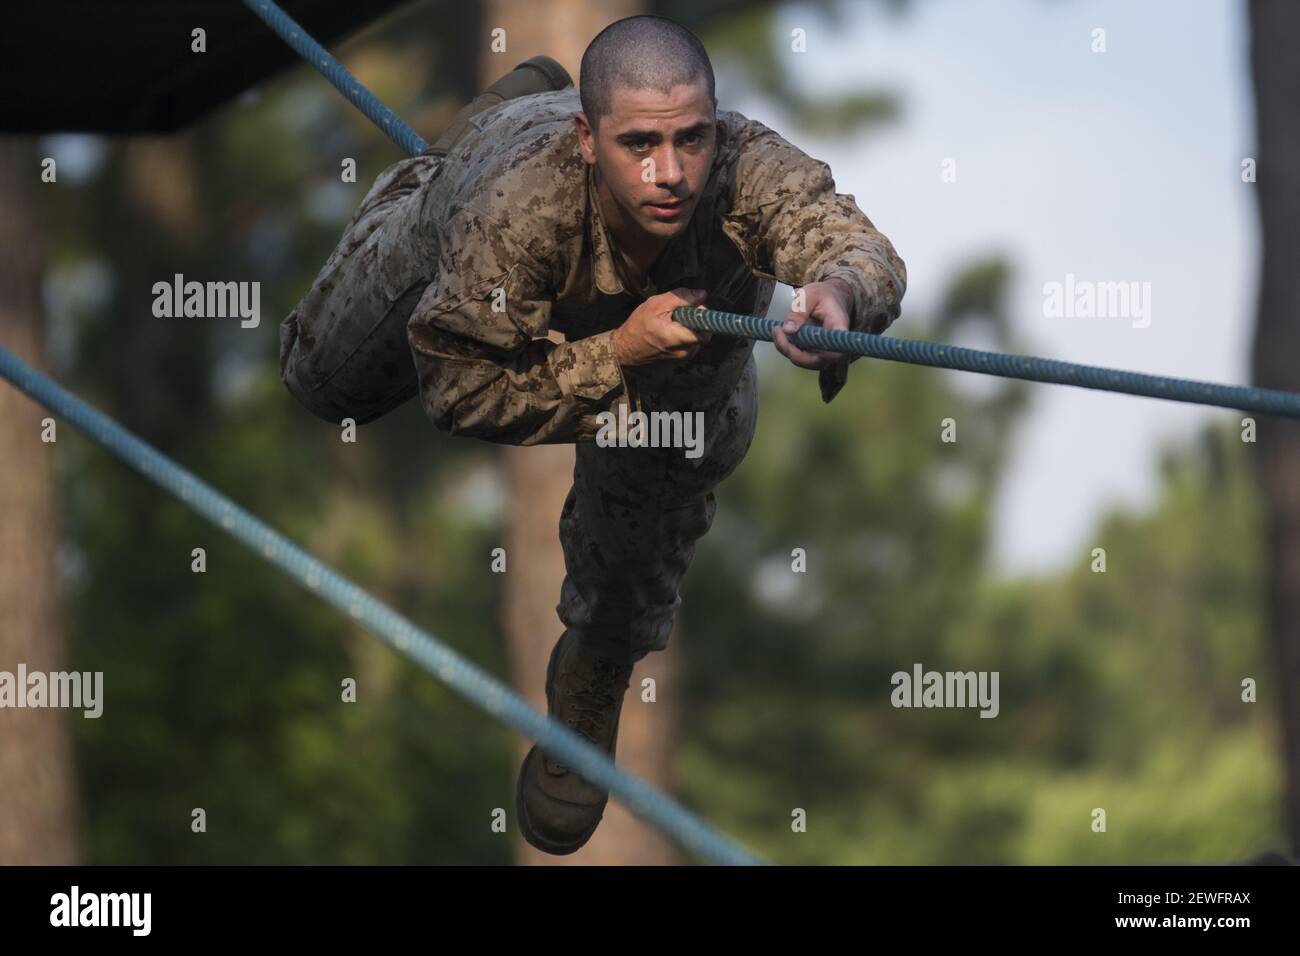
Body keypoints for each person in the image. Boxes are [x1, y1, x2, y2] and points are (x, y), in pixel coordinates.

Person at [280, 14, 906, 856]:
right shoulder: (509, 212)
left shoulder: (744, 165)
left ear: (715, 126)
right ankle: (456, 145)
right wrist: (618, 348)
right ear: (589, 138)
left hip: (684, 368)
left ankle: (597, 666)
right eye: (640, 142)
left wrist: (838, 294)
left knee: (685, 447)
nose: (671, 172)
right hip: (473, 212)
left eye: (692, 138)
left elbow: (857, 244)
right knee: (319, 381)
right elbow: (461, 390)